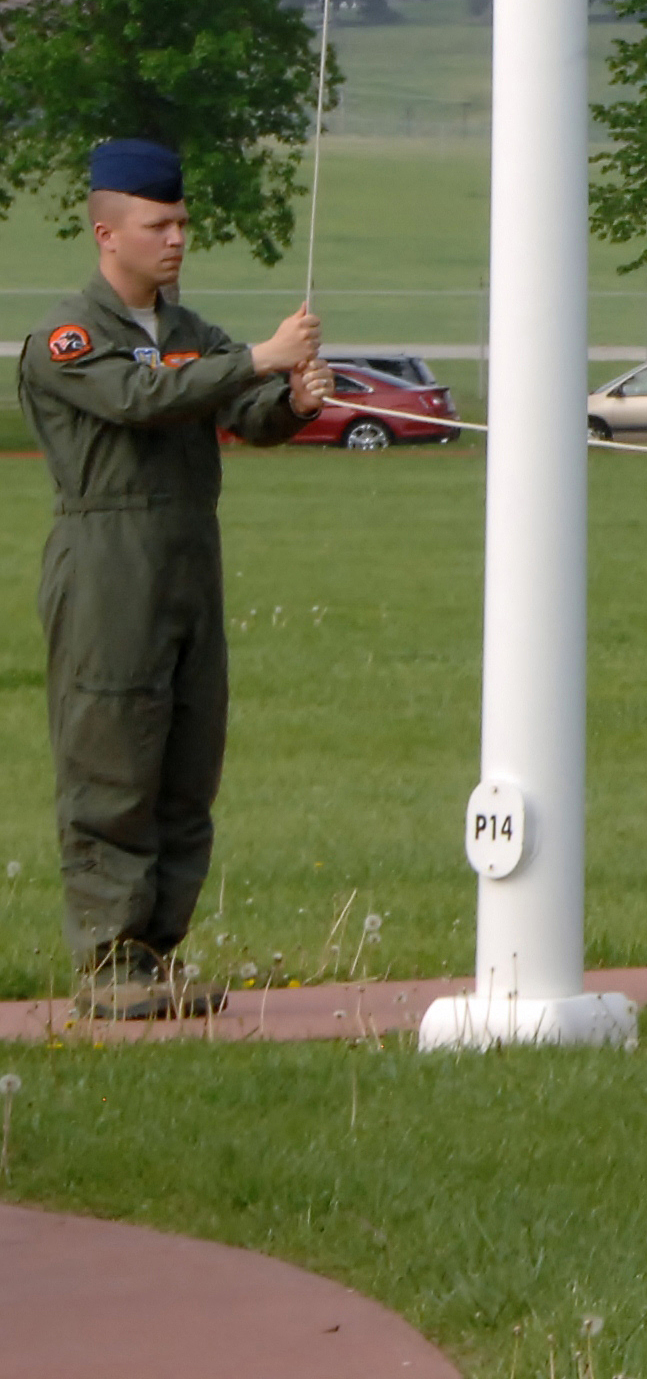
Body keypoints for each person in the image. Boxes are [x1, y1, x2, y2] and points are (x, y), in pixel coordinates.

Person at [23, 139, 324, 1021]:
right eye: (158, 225)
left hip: (192, 555)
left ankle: (158, 958)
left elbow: (242, 411)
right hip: (108, 561)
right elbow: (139, 400)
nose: (177, 240)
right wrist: (263, 358)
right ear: (106, 232)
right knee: (111, 755)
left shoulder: (192, 334)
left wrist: (293, 401)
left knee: (187, 760)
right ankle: (108, 960)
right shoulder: (68, 337)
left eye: (183, 223)